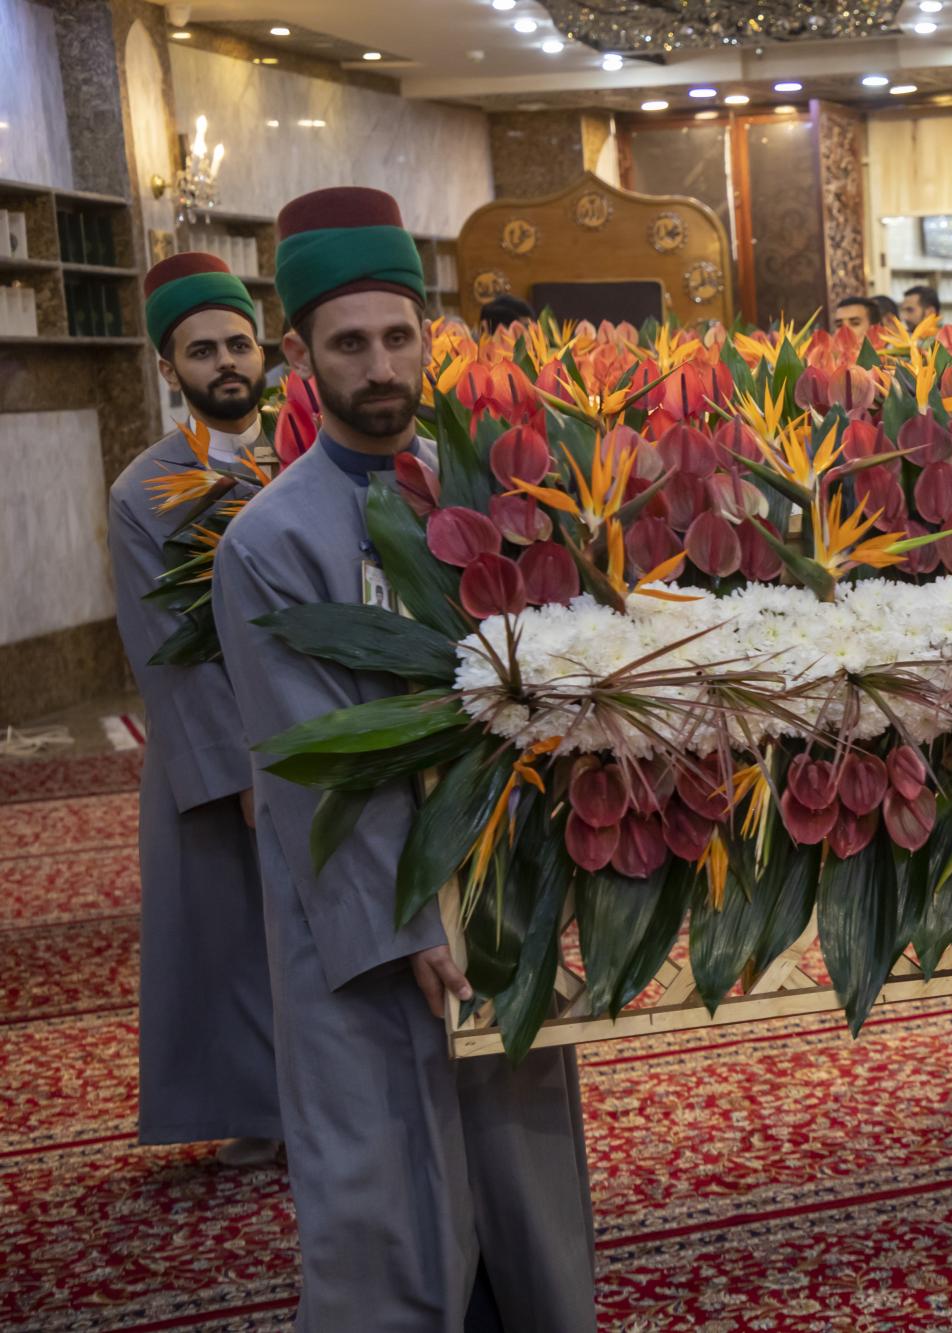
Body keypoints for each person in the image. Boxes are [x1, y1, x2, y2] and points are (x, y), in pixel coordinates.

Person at [211, 187, 596, 1329]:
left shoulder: (483, 494)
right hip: (365, 909)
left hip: (504, 886)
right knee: (386, 1166)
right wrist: (412, 916)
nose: (379, 366)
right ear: (300, 356)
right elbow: (306, 763)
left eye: (396, 337)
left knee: (517, 1151)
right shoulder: (268, 540)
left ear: (429, 338)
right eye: (348, 344)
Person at [107, 253, 282, 1168]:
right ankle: (258, 1106)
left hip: (334, 722)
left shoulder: (308, 450)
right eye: (202, 349)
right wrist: (239, 769)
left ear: (266, 354)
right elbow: (162, 649)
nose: (226, 362)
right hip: (223, 749)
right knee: (231, 929)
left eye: (238, 344)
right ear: (171, 370)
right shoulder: (143, 492)